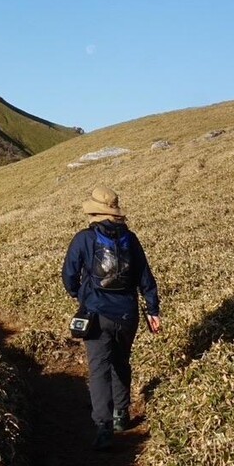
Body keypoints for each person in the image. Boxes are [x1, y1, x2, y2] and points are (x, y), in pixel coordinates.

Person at [62, 186, 162, 450]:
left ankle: (103, 426)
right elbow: (145, 277)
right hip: (127, 313)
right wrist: (153, 310)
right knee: (121, 362)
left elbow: (69, 276)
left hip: (96, 314)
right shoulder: (131, 238)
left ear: (94, 212)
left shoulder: (84, 238)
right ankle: (121, 414)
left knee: (99, 369)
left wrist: (81, 295)